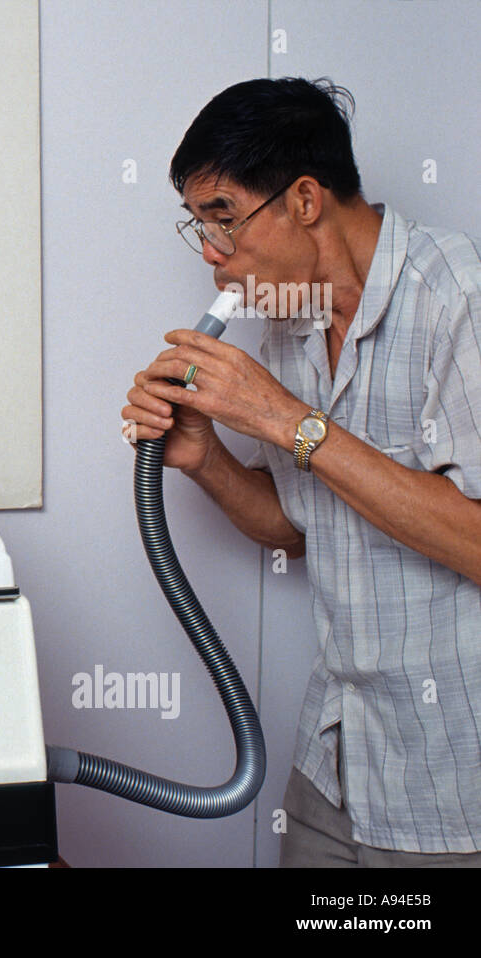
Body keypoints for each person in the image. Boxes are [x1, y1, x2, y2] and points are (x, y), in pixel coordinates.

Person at [122, 77, 481, 866]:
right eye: (199, 225)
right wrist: (206, 457)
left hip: (454, 782)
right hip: (337, 756)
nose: (212, 254)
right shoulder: (291, 318)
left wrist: (285, 419)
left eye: (224, 218)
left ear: (306, 200)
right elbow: (299, 526)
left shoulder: (458, 296)